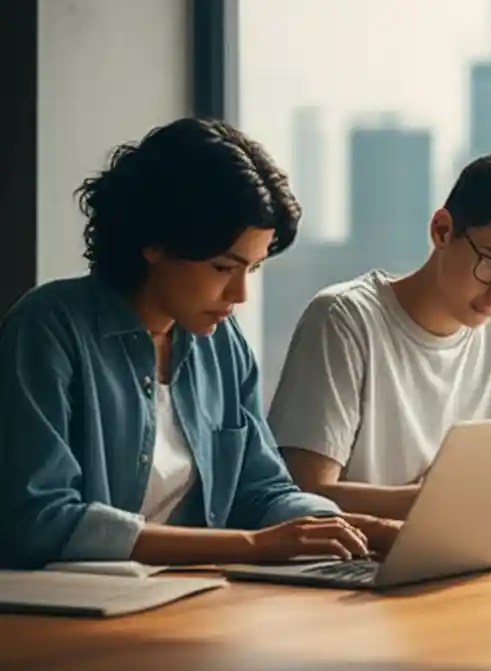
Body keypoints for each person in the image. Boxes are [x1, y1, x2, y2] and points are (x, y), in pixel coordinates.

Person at [0, 118, 399, 569]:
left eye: (253, 269)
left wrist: (366, 529)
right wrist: (252, 546)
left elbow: (263, 491)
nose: (240, 296)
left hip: (195, 599)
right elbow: (40, 521)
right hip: (75, 615)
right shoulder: (48, 328)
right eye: (223, 268)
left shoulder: (221, 344)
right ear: (155, 242)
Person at [268, 151, 491, 525]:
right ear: (442, 230)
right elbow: (304, 494)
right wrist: (448, 503)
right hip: (352, 560)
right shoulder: (345, 318)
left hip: (456, 557)